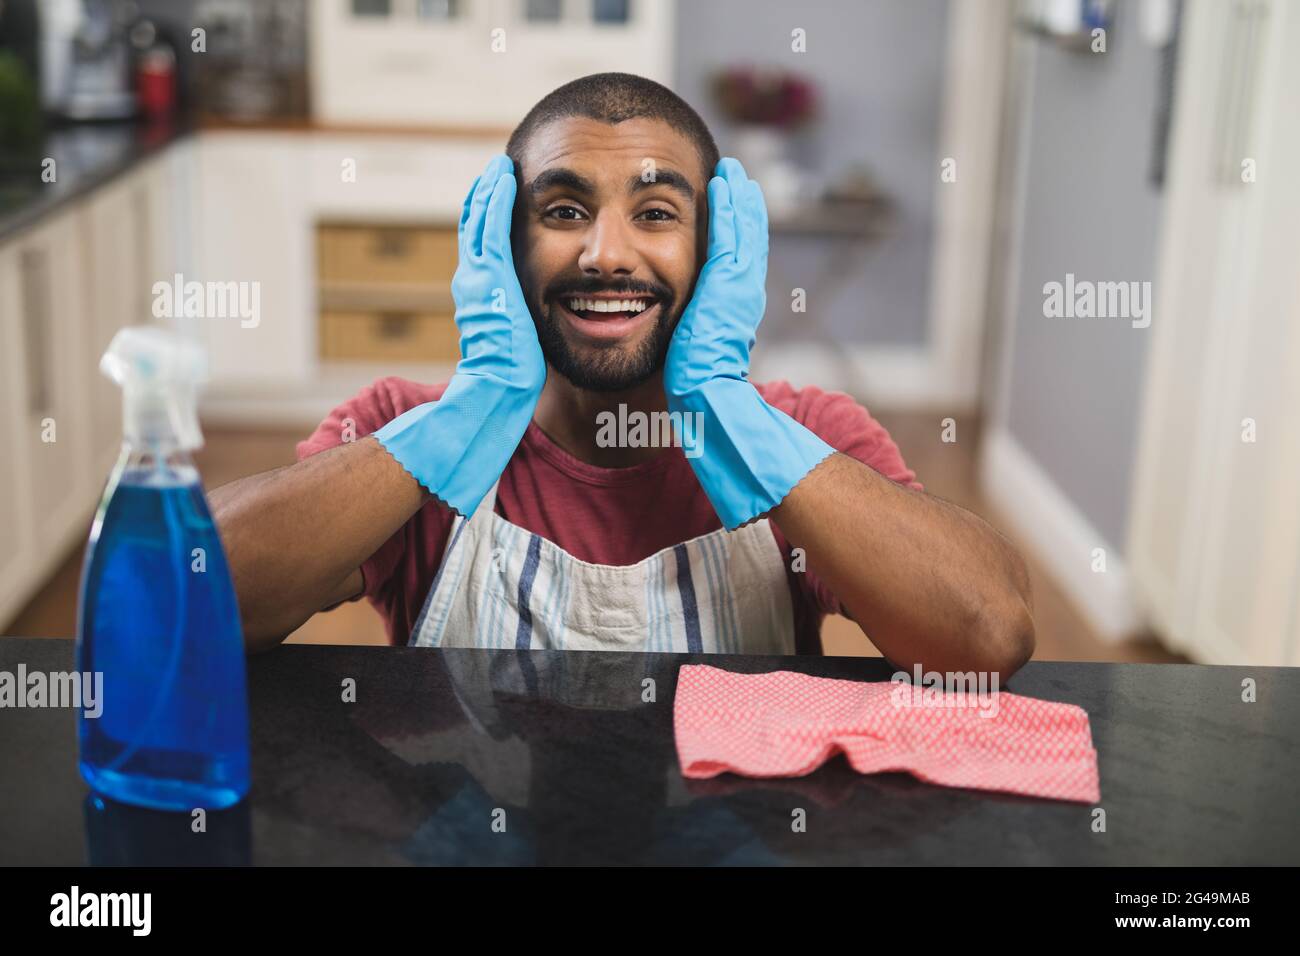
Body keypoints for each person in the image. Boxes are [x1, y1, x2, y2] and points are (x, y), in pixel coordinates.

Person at [210, 72, 1035, 679]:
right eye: (563, 211)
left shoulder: (807, 436)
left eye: (656, 214)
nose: (606, 254)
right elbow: (190, 599)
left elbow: (986, 635)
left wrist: (720, 403)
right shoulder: (399, 429)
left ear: (715, 252)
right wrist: (475, 408)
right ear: (503, 245)